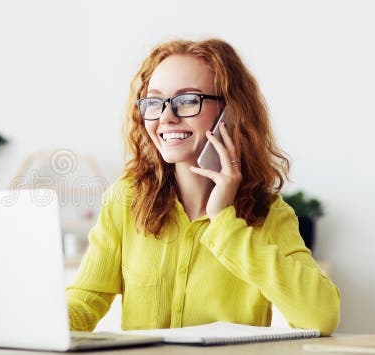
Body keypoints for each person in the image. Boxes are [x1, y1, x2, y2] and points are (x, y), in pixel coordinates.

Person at [66, 39, 340, 336]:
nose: (166, 117)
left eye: (187, 100)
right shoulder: (126, 198)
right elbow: (86, 300)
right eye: (155, 102)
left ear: (232, 112)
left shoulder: (269, 214)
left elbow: (321, 317)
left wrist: (223, 220)